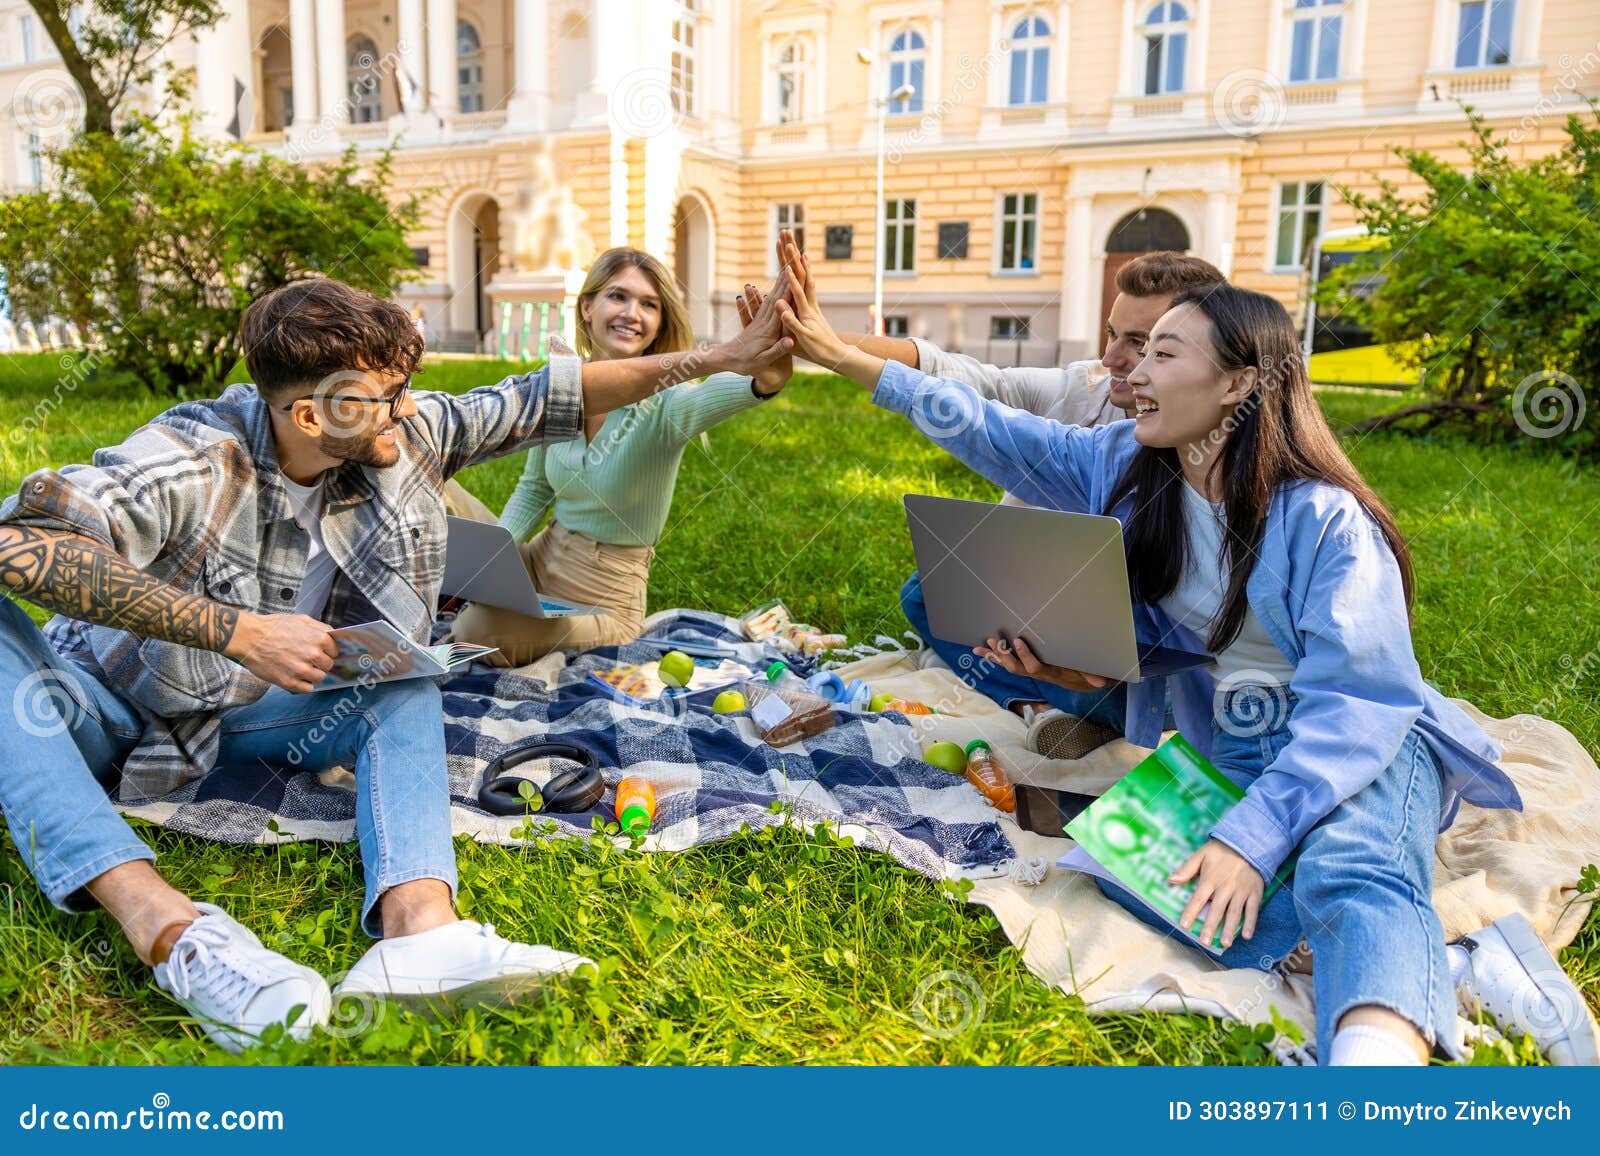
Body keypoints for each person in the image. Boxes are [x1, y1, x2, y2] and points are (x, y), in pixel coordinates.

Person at [770, 235, 1596, 1065]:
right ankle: (1464, 964)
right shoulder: (1128, 468)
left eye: (1163, 352)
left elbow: (1363, 705)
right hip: (1232, 750)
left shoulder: (1326, 521)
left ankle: (1370, 1068)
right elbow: (994, 429)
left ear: (1238, 383)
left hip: (1362, 745)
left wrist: (1250, 839)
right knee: (1120, 864)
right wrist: (840, 355)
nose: (1131, 372)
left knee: (1351, 869)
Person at [0, 275, 791, 1054]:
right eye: (388, 394)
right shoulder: (192, 460)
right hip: (99, 706)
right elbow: (19, 544)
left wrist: (721, 356)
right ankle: (173, 932)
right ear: (312, 412)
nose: (409, 407)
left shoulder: (399, 434)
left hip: (228, 716)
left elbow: (547, 397)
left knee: (402, 675)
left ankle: (421, 936)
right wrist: (237, 629)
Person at [836, 250, 1223, 759]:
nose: (1113, 358)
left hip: (1144, 655)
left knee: (1142, 685)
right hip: (1047, 608)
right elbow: (966, 386)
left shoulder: (1219, 460)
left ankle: (1067, 704)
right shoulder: (1090, 403)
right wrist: (826, 343)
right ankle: (1038, 705)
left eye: (1143, 344)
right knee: (930, 591)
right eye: (1112, 334)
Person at [444, 246, 796, 666]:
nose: (632, 313)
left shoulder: (668, 402)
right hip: (539, 561)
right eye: (618, 296)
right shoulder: (563, 387)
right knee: (435, 485)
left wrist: (762, 383)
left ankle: (486, 613)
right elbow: (535, 488)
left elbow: (715, 396)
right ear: (588, 307)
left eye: (649, 304)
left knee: (473, 633)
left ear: (659, 324)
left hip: (605, 602)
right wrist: (491, 561)